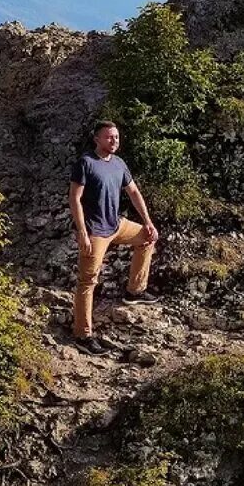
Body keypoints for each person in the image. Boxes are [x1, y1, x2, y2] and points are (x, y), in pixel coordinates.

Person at [68, 120, 159, 354]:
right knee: (87, 281)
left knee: (147, 238)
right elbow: (75, 199)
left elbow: (134, 192)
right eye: (109, 137)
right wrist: (82, 232)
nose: (114, 141)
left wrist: (148, 222)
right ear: (97, 139)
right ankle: (83, 335)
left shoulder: (119, 163)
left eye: (116, 137)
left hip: (116, 224)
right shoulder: (86, 163)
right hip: (95, 231)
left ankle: (135, 291)